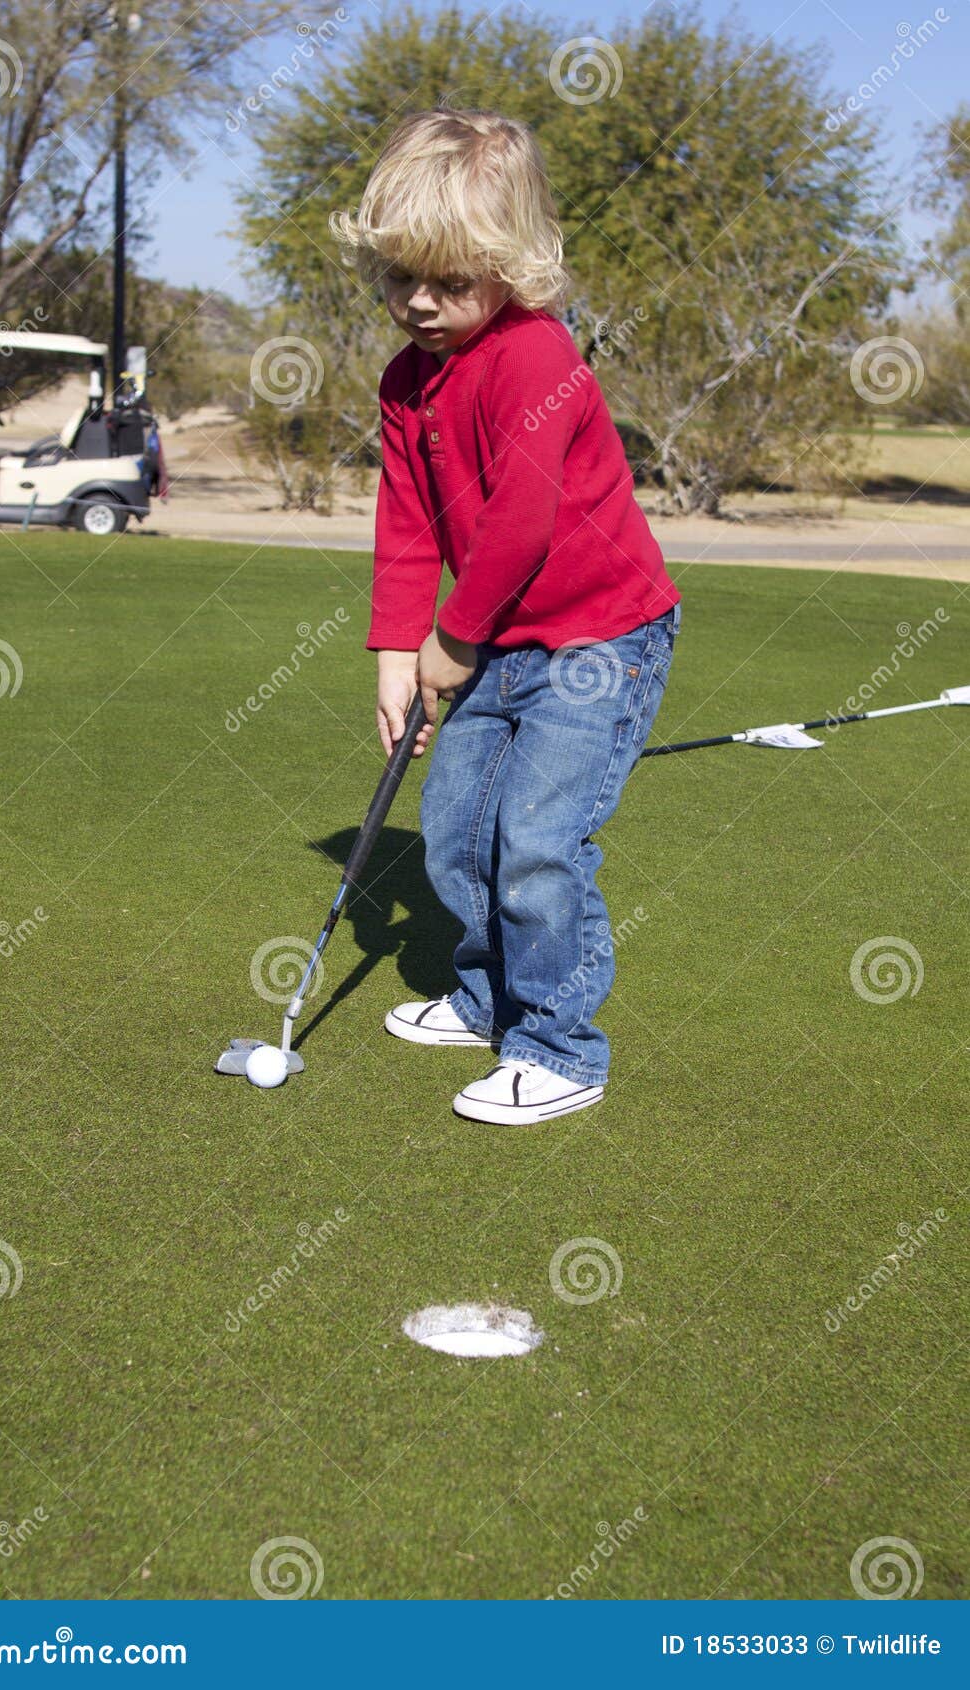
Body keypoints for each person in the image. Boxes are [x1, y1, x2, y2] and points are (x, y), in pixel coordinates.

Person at [329, 108, 681, 1125]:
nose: (419, 304)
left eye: (449, 282)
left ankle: (559, 1043)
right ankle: (487, 994)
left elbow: (520, 529)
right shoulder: (405, 382)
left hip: (596, 637)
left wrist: (449, 639)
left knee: (536, 839)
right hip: (489, 640)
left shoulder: (534, 356)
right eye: (400, 279)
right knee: (454, 829)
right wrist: (397, 650)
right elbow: (404, 523)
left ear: (512, 265)